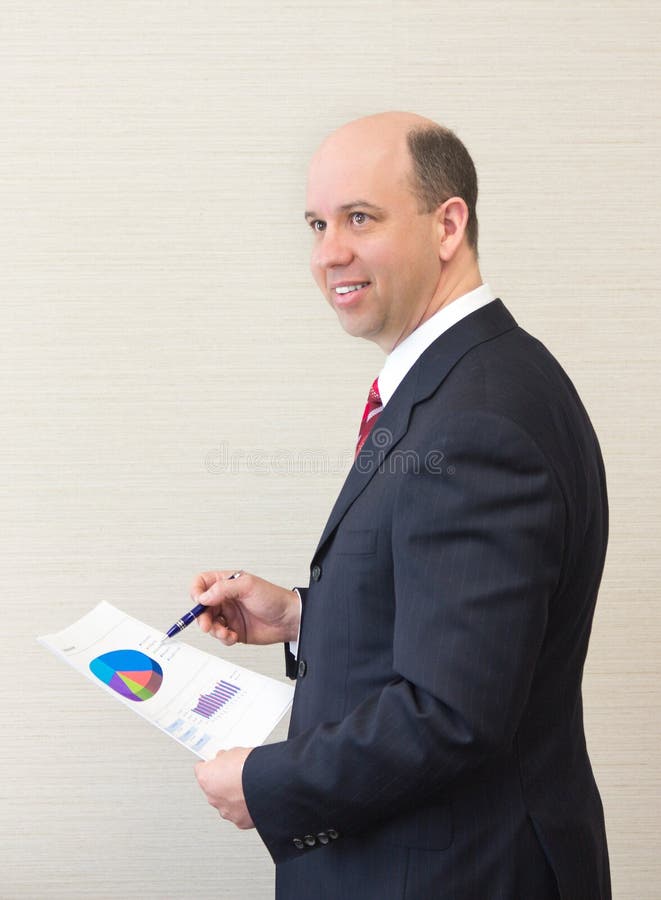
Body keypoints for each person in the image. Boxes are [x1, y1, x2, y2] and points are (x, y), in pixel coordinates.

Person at [193, 111, 611, 900]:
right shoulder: (467, 378)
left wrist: (267, 782)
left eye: (359, 218)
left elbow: (453, 714)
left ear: (447, 223)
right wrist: (301, 616)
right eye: (317, 223)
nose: (328, 254)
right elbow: (466, 630)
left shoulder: (477, 419)